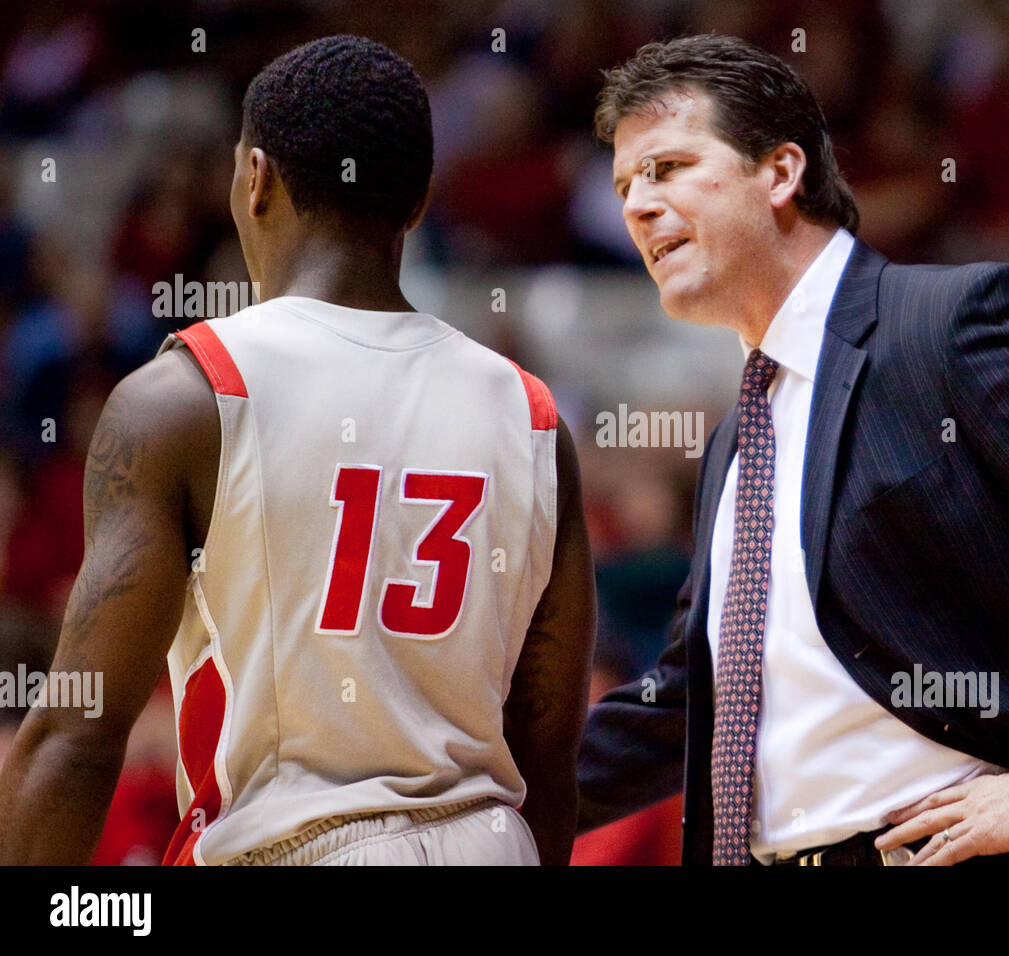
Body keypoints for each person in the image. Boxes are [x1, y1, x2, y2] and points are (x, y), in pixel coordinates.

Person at [576, 34, 1009, 866]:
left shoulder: (945, 324)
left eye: (667, 167)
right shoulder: (738, 434)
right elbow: (686, 699)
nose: (636, 206)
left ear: (781, 173)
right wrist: (474, 792)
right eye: (622, 185)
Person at [0, 35, 595, 866]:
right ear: (420, 201)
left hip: (298, 845)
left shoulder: (187, 396)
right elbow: (549, 764)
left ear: (253, 177)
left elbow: (77, 733)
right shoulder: (533, 419)